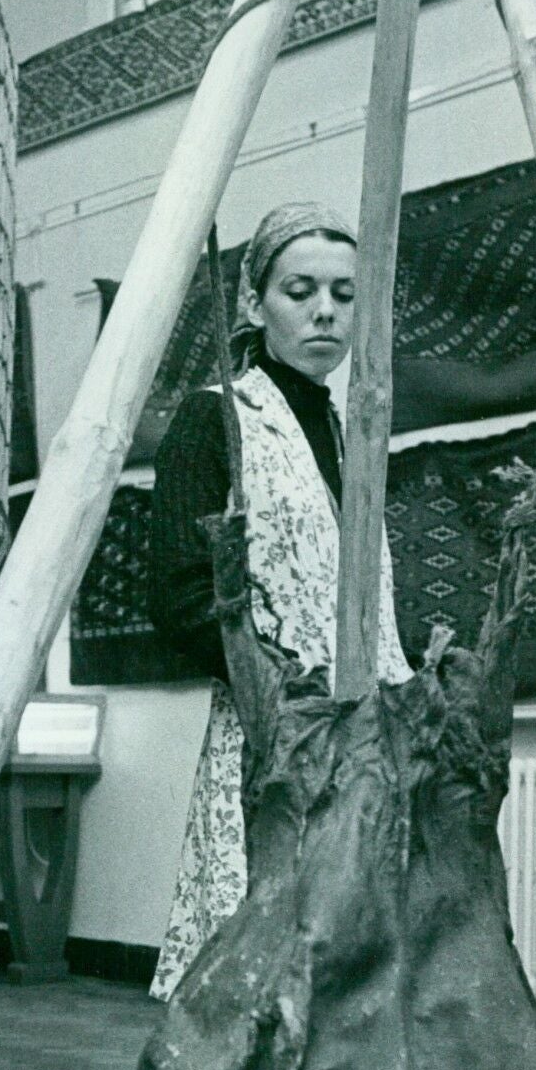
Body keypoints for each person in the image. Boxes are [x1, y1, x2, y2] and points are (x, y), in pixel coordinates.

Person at [147, 202, 411, 1001]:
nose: (326, 310)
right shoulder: (216, 415)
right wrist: (280, 691)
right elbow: (178, 593)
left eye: (343, 292)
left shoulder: (347, 430)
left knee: (351, 975)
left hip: (364, 743)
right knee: (256, 973)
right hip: (269, 739)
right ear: (255, 303)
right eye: (301, 290)